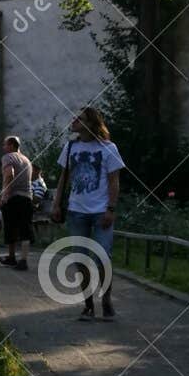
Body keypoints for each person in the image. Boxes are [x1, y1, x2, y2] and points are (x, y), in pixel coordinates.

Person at [51, 106, 124, 321]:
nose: (73, 120)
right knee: (80, 259)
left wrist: (111, 208)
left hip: (101, 211)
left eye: (79, 118)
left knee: (102, 258)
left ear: (91, 123)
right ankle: (88, 304)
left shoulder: (108, 148)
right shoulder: (70, 146)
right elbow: (63, 178)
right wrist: (56, 204)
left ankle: (106, 298)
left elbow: (114, 181)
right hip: (76, 211)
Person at [0, 134, 34, 271]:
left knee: (10, 227)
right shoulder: (26, 160)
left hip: (14, 197)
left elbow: (9, 174)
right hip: (27, 197)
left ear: (12, 145)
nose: (3, 147)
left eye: (5, 144)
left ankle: (12, 256)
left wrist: (5, 195)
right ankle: (23, 259)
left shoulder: (8, 157)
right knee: (25, 228)